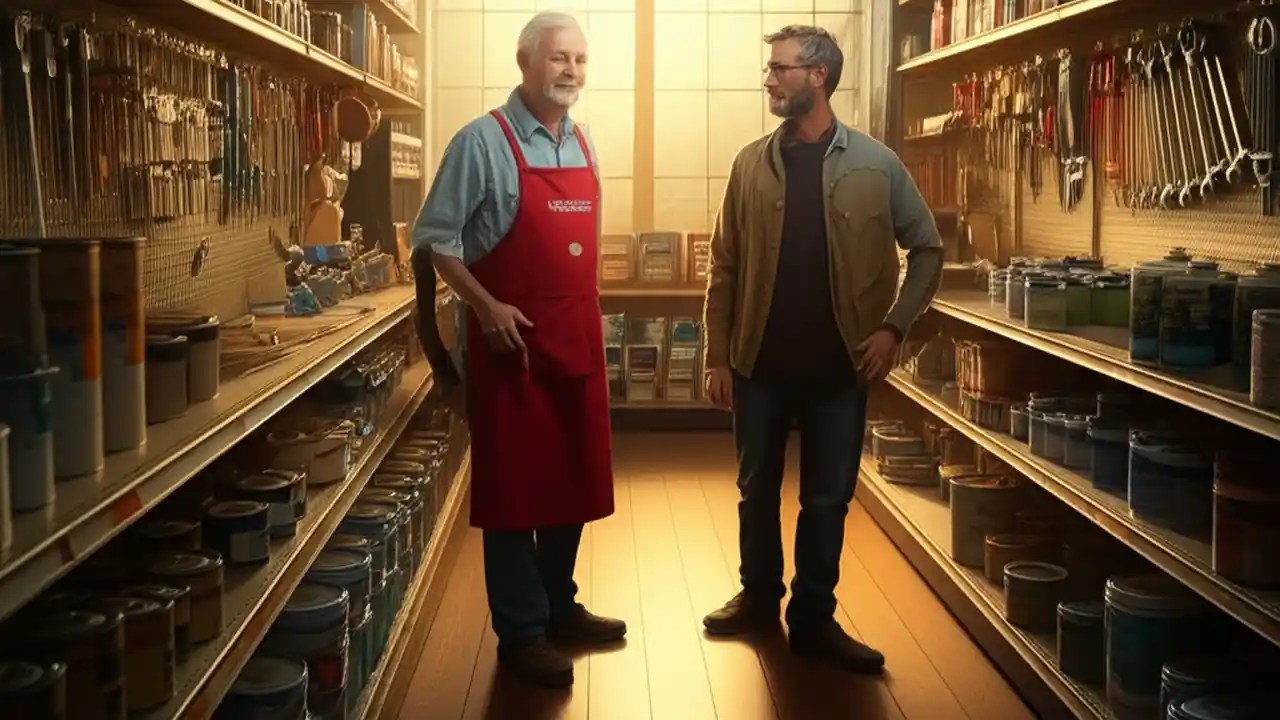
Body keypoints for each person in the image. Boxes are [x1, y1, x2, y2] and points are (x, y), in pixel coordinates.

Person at [700, 25, 943, 674]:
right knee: (755, 490)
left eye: (781, 69)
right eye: (770, 69)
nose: (769, 79)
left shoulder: (877, 164)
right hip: (758, 363)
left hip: (841, 365)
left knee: (828, 498)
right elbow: (723, 266)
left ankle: (812, 618)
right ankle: (757, 600)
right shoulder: (751, 163)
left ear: (818, 77)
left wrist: (894, 327)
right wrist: (716, 357)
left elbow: (927, 249)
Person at [411, 10, 625, 689]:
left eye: (580, 60)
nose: (571, 71)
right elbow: (436, 242)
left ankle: (560, 605)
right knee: (514, 491)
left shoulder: (582, 143)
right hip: (510, 346)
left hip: (576, 338)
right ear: (525, 62)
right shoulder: (482, 141)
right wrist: (485, 304)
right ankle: (522, 631)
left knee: (572, 476)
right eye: (558, 58)